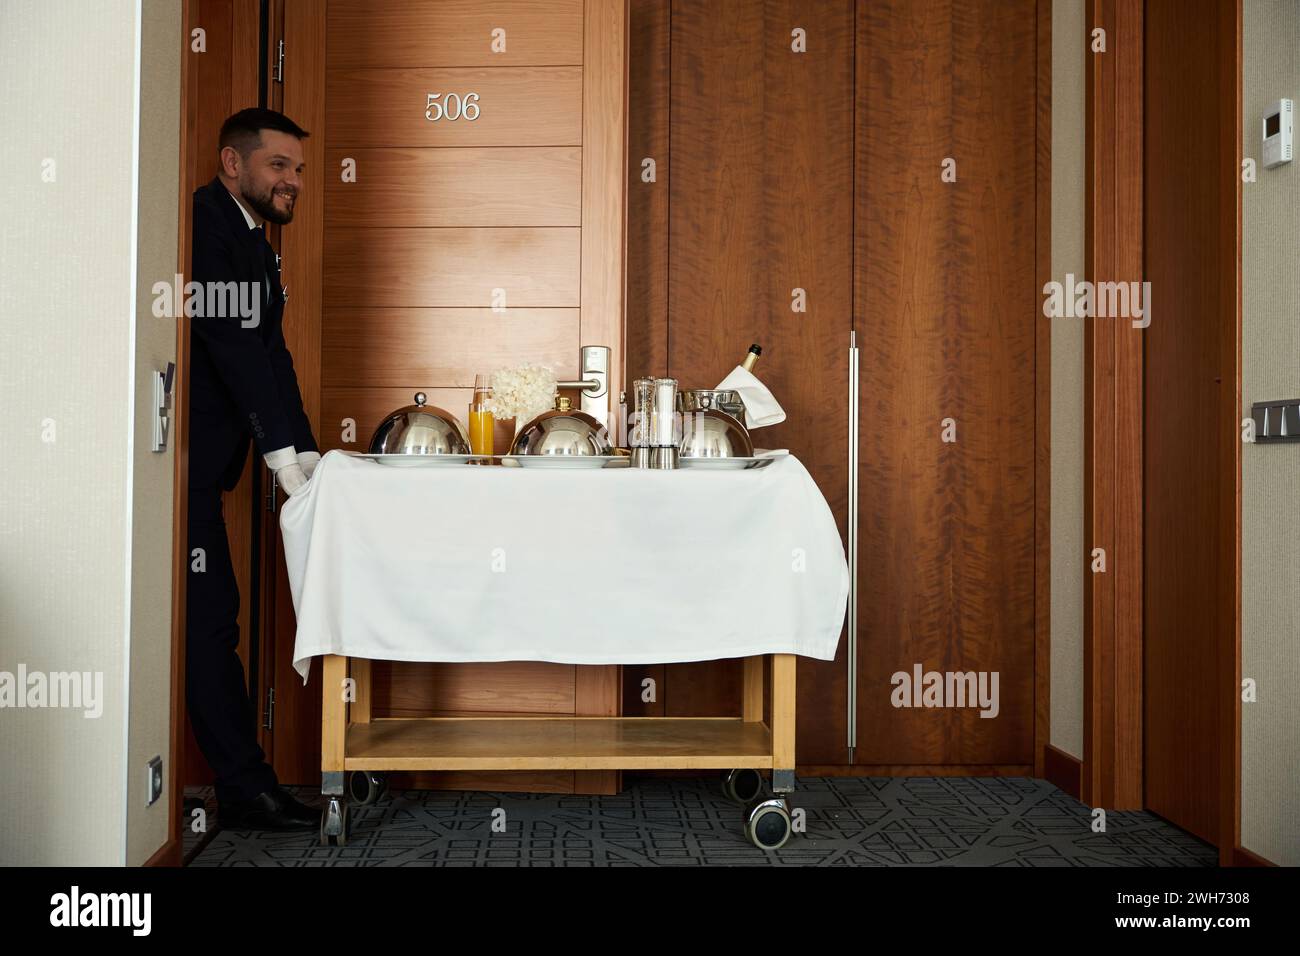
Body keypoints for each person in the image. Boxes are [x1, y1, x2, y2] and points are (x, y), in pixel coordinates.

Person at [186, 108, 319, 830]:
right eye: (279, 166)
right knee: (209, 625)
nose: (293, 181)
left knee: (214, 620)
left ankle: (244, 784)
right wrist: (277, 453)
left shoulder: (254, 241)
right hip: (176, 467)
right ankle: (243, 787)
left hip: (212, 463)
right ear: (232, 163)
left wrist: (303, 451)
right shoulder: (206, 227)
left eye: (297, 169)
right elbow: (235, 347)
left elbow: (273, 351)